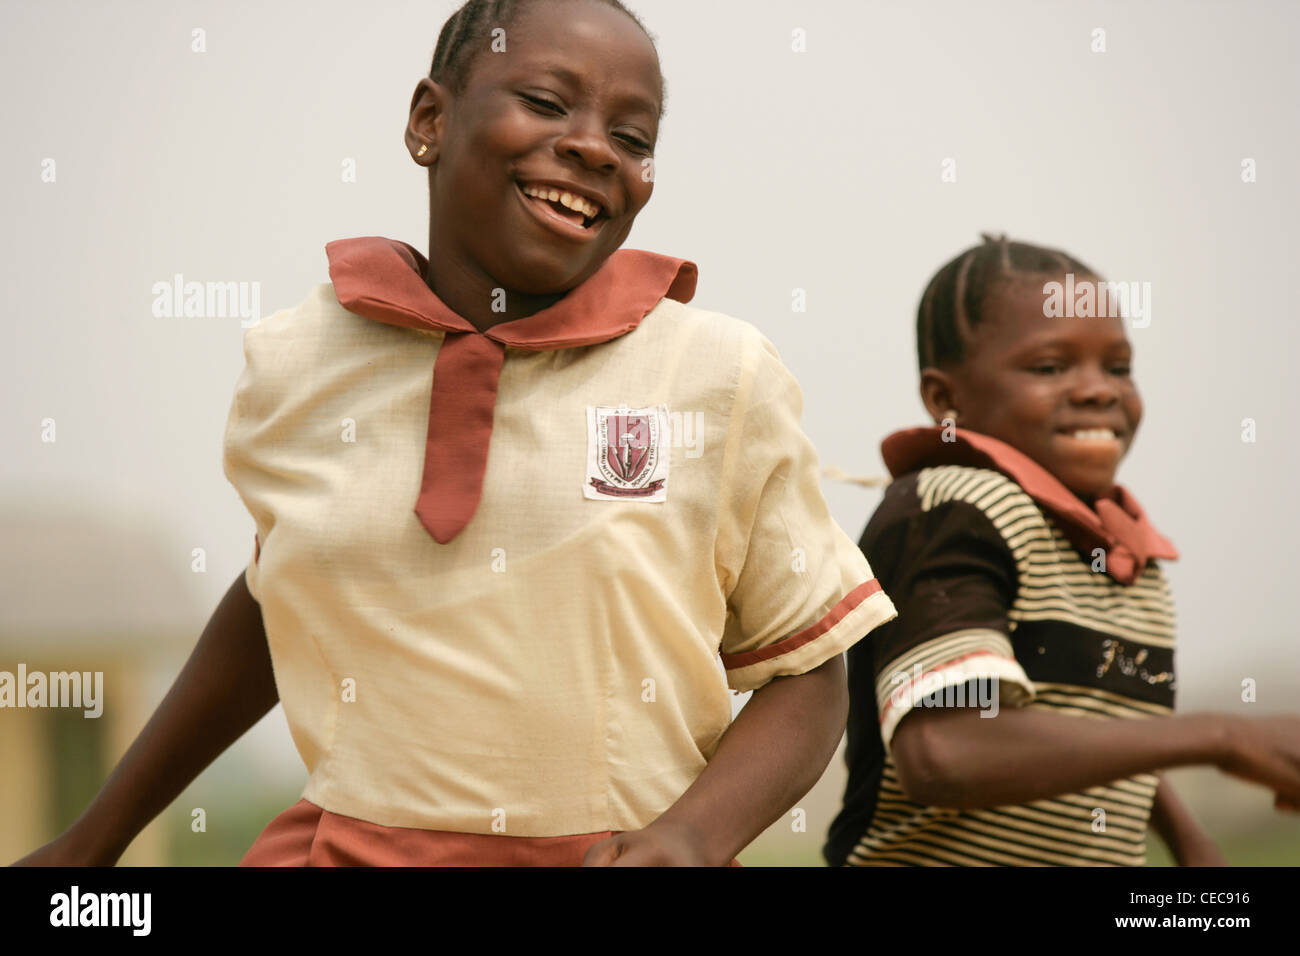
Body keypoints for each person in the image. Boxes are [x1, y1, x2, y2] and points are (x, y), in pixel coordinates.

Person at [15, 0, 895, 868]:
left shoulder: (716, 374)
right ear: (429, 120)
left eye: (633, 138)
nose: (594, 146)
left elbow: (809, 668)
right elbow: (279, 596)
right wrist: (91, 842)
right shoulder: (297, 359)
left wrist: (690, 836)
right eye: (548, 103)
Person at [823, 234, 1300, 867]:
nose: (1099, 390)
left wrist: (1188, 840)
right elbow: (945, 751)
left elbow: (1089, 721)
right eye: (1050, 367)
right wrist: (1220, 735)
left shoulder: (1112, 542)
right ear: (945, 401)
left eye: (1118, 367)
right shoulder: (952, 508)